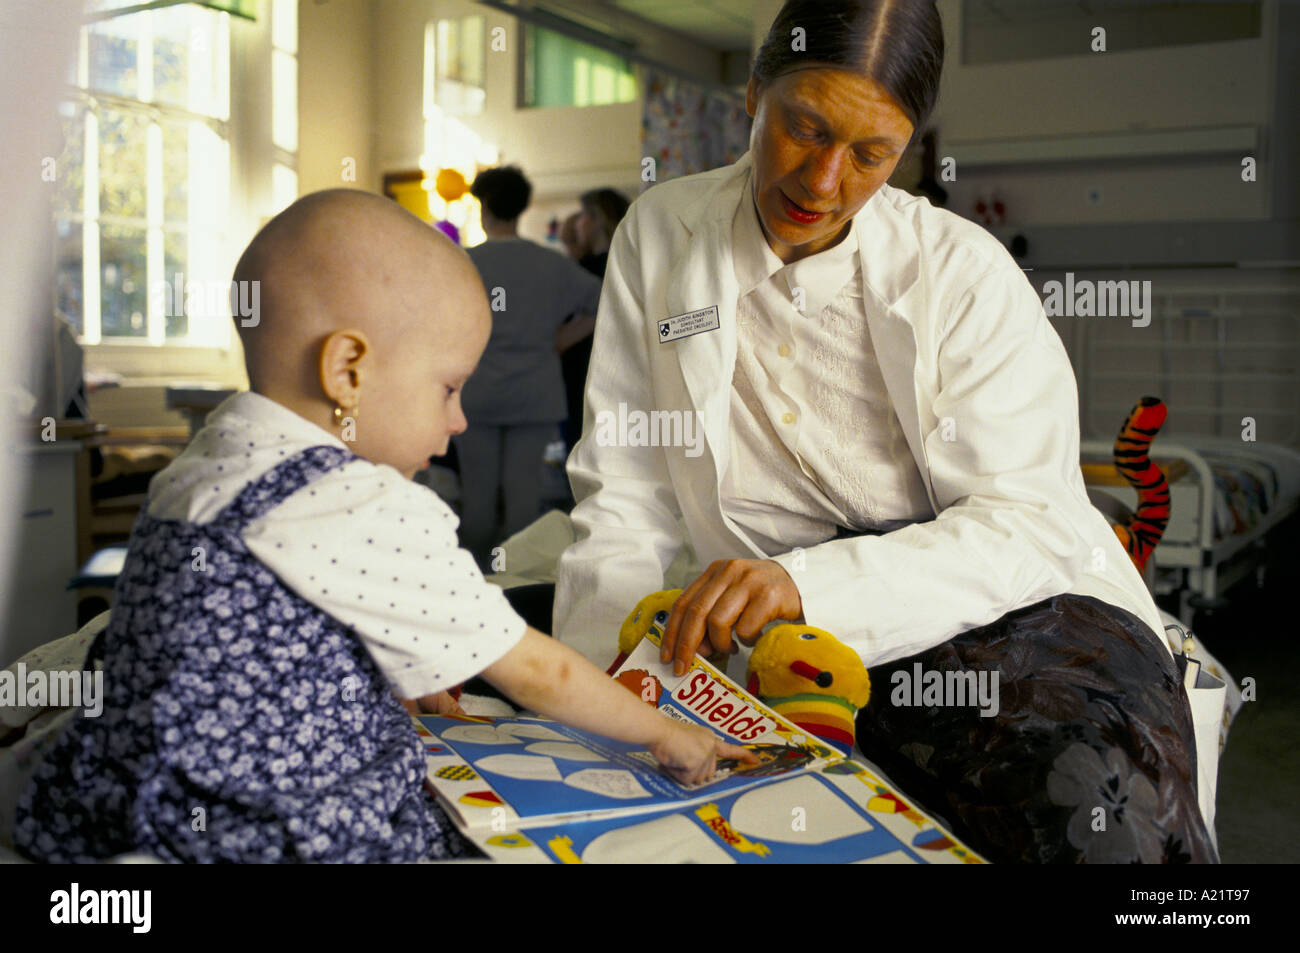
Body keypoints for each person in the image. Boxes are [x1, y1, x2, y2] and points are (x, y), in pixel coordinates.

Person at [552, 0, 1217, 863]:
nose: (824, 180)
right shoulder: (661, 232)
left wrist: (804, 583)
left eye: (871, 154)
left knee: (1097, 806)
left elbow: (1024, 520)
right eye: (805, 127)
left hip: (1010, 605)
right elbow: (628, 489)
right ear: (754, 93)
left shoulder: (964, 273)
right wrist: (595, 683)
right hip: (776, 635)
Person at [11, 189, 749, 864]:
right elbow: (538, 669)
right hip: (264, 825)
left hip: (128, 798)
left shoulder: (207, 454)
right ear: (348, 371)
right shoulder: (367, 505)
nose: (458, 420)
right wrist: (666, 732)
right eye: (449, 388)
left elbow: (270, 635)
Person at [457, 166, 602, 567]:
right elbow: (604, 302)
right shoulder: (550, 264)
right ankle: (518, 587)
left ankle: (471, 586)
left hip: (479, 392)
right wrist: (559, 340)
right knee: (523, 501)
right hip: (534, 390)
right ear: (520, 209)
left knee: (477, 501)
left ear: (483, 207)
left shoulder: (464, 262)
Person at [559, 188, 632, 451]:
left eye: (582, 216)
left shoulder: (583, 272)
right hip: (622, 382)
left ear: (596, 219)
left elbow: (559, 332)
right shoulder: (630, 263)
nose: (578, 224)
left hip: (583, 380)